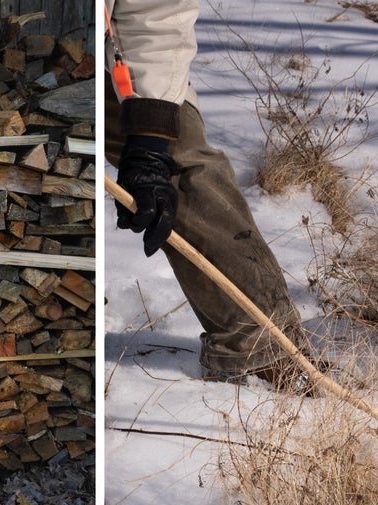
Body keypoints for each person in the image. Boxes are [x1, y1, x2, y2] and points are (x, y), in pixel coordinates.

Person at [104, 0, 317, 389]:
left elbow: (156, 14)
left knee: (183, 165)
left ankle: (258, 347)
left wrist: (150, 139)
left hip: (115, 49)